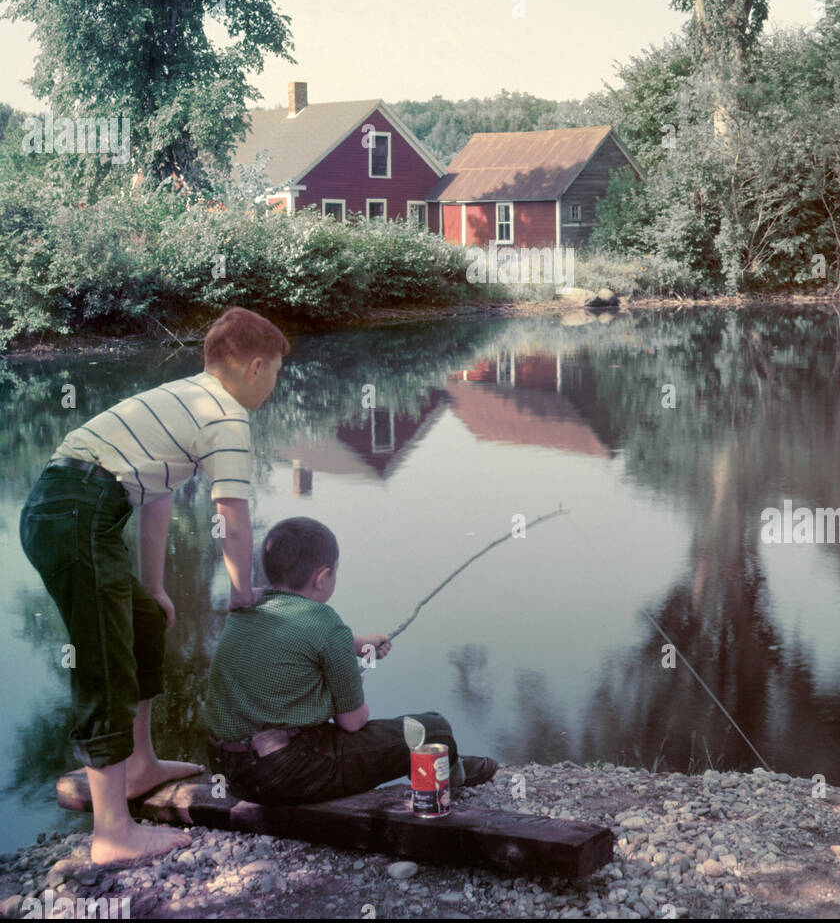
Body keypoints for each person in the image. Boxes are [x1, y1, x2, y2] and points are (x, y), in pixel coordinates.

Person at [19, 306, 289, 865]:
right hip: (76, 513)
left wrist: (155, 587)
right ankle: (112, 833)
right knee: (105, 664)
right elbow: (232, 515)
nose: (274, 384)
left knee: (142, 621)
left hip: (74, 507)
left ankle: (140, 766)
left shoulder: (187, 395)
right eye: (277, 373)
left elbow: (156, 493)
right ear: (256, 366)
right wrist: (243, 592)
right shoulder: (227, 415)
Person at [204, 517, 498, 804]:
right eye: (335, 571)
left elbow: (291, 639)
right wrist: (340, 689)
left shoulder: (246, 609)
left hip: (230, 771)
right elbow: (353, 722)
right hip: (284, 774)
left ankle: (448, 763)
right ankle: (450, 774)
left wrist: (355, 645)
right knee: (434, 729)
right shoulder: (326, 622)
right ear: (321, 577)